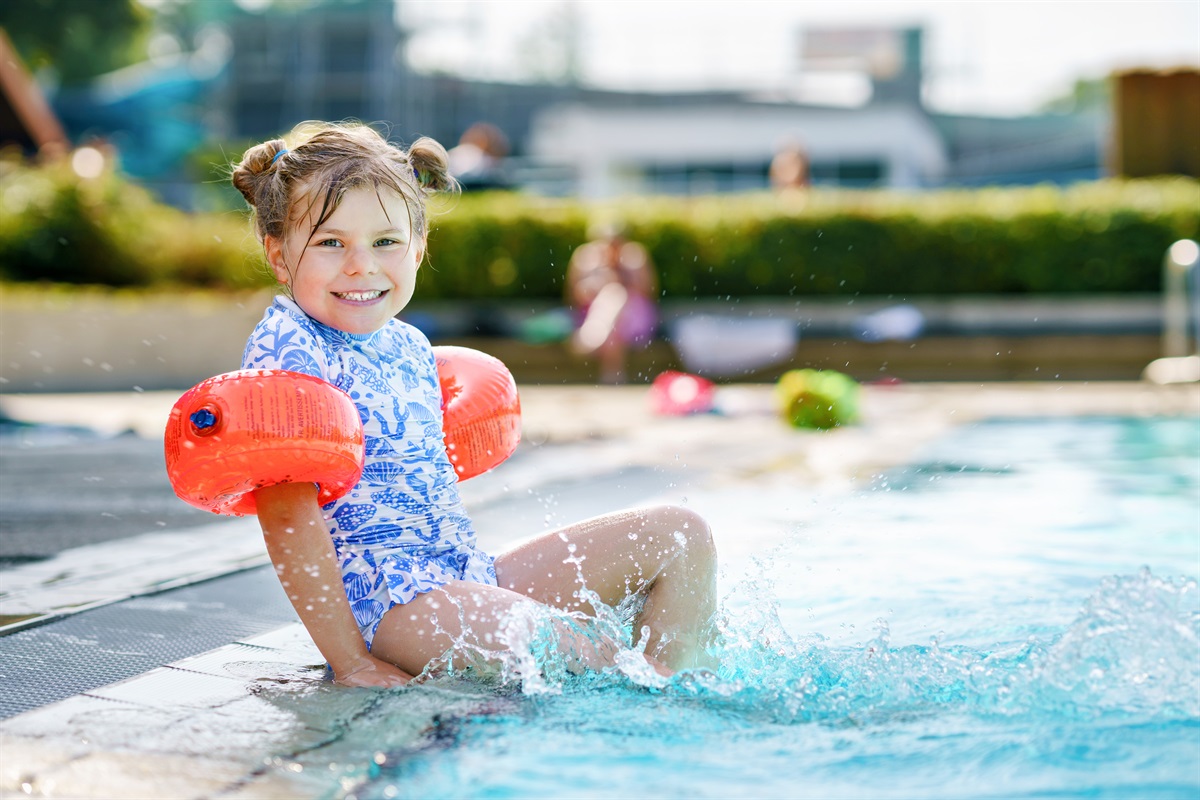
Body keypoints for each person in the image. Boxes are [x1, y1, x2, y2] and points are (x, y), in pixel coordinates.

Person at [231, 122, 716, 688]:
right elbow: (288, 516)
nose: (361, 264)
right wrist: (351, 661)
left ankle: (680, 685)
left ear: (418, 246)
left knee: (682, 536)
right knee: (572, 646)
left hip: (463, 573)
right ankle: (663, 703)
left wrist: (476, 587)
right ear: (279, 256)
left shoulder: (408, 344)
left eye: (385, 241)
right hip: (387, 604)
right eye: (330, 242)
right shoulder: (290, 348)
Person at [564, 222, 659, 384]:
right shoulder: (585, 258)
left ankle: (594, 337)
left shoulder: (635, 257)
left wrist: (621, 279)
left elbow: (649, 291)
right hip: (593, 315)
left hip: (632, 318)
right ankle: (614, 374)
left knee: (616, 295)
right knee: (613, 319)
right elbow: (573, 295)